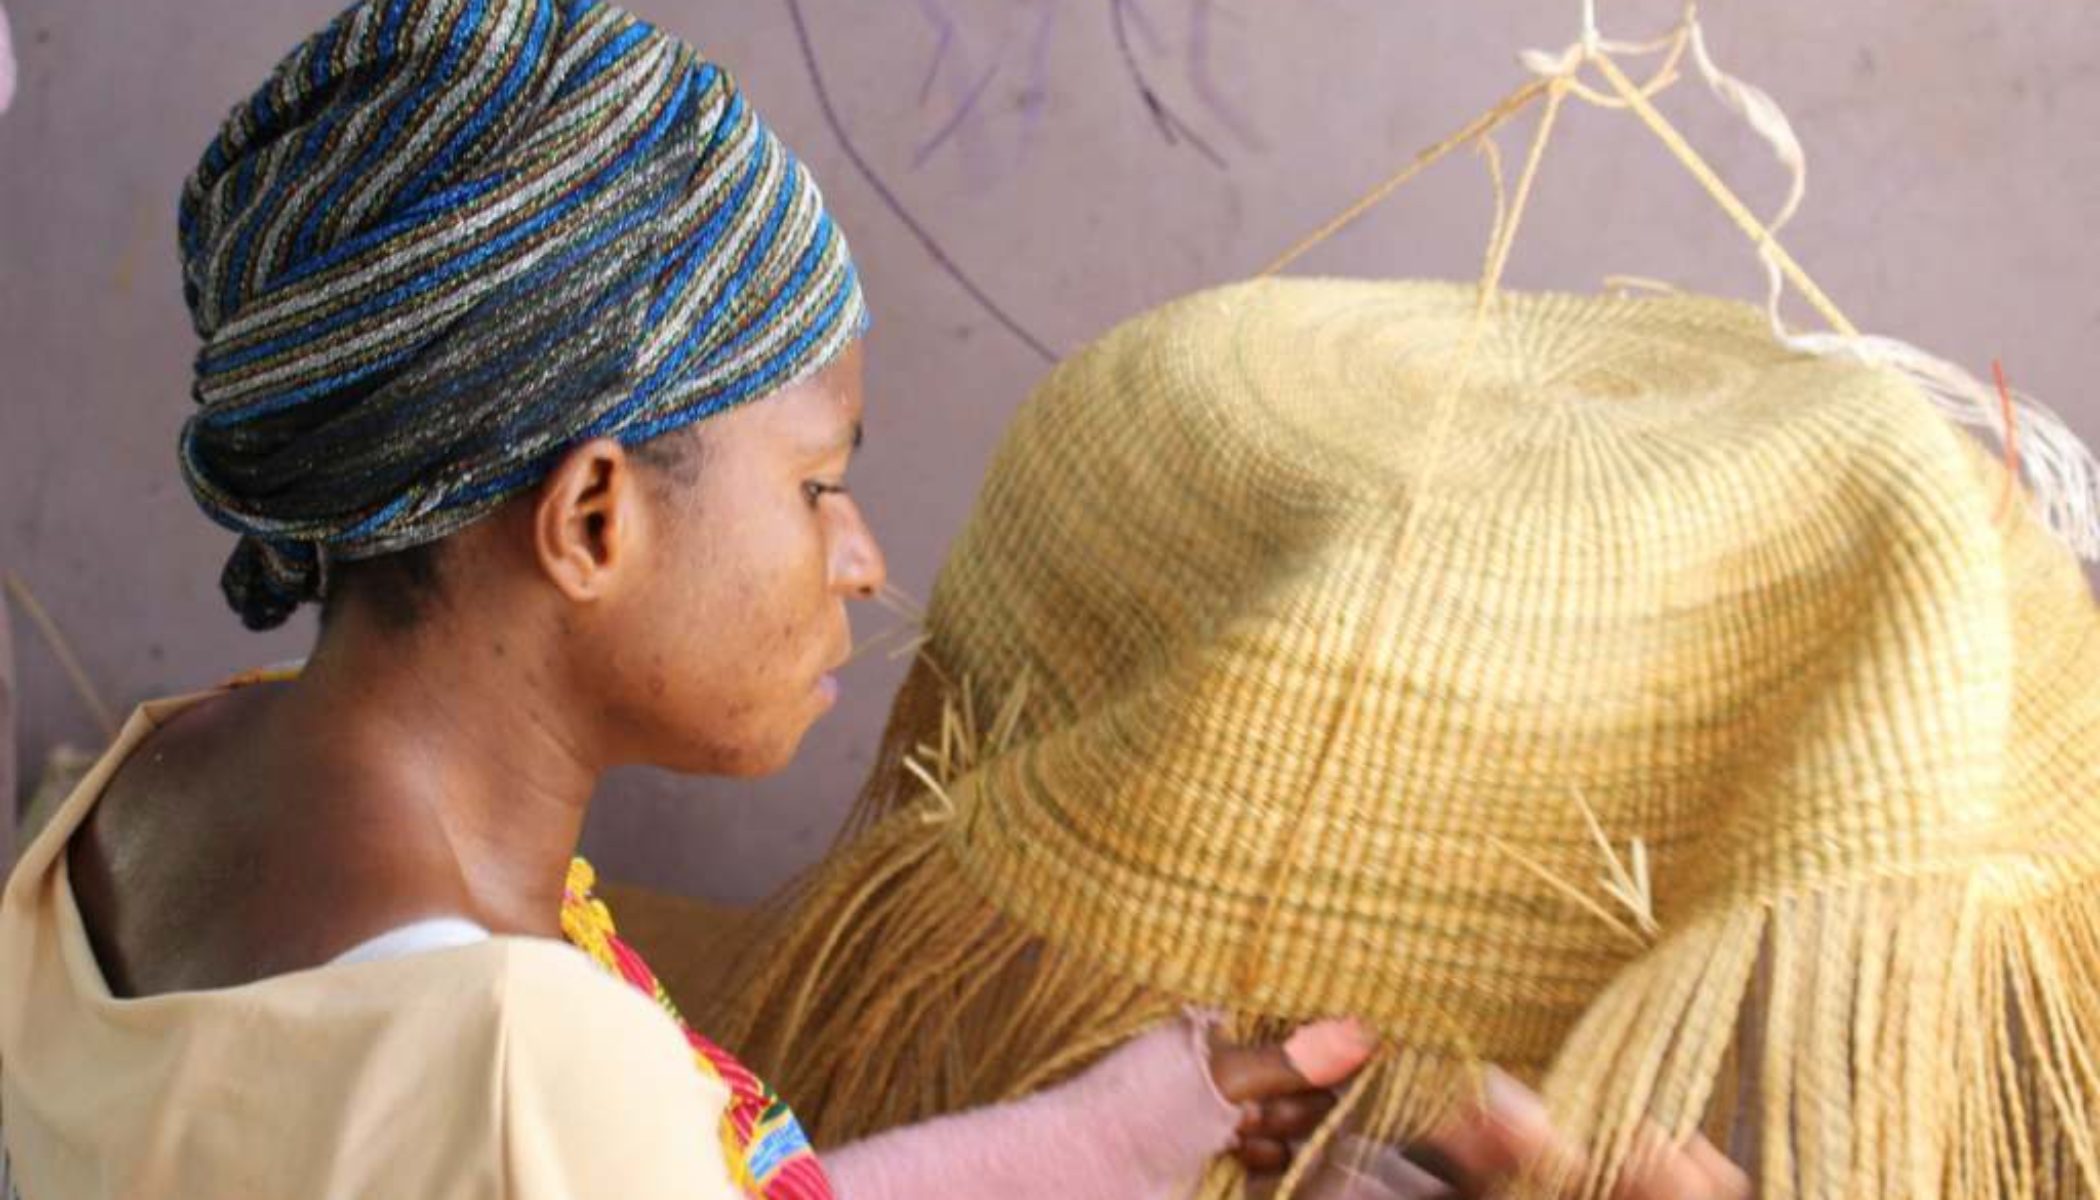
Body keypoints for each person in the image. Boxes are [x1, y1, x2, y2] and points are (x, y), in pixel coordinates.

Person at [0, 3, 1745, 1197]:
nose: (862, 559)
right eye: (819, 480)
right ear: (593, 516)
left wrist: (1114, 1136)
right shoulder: (521, 1069)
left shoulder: (166, 791)